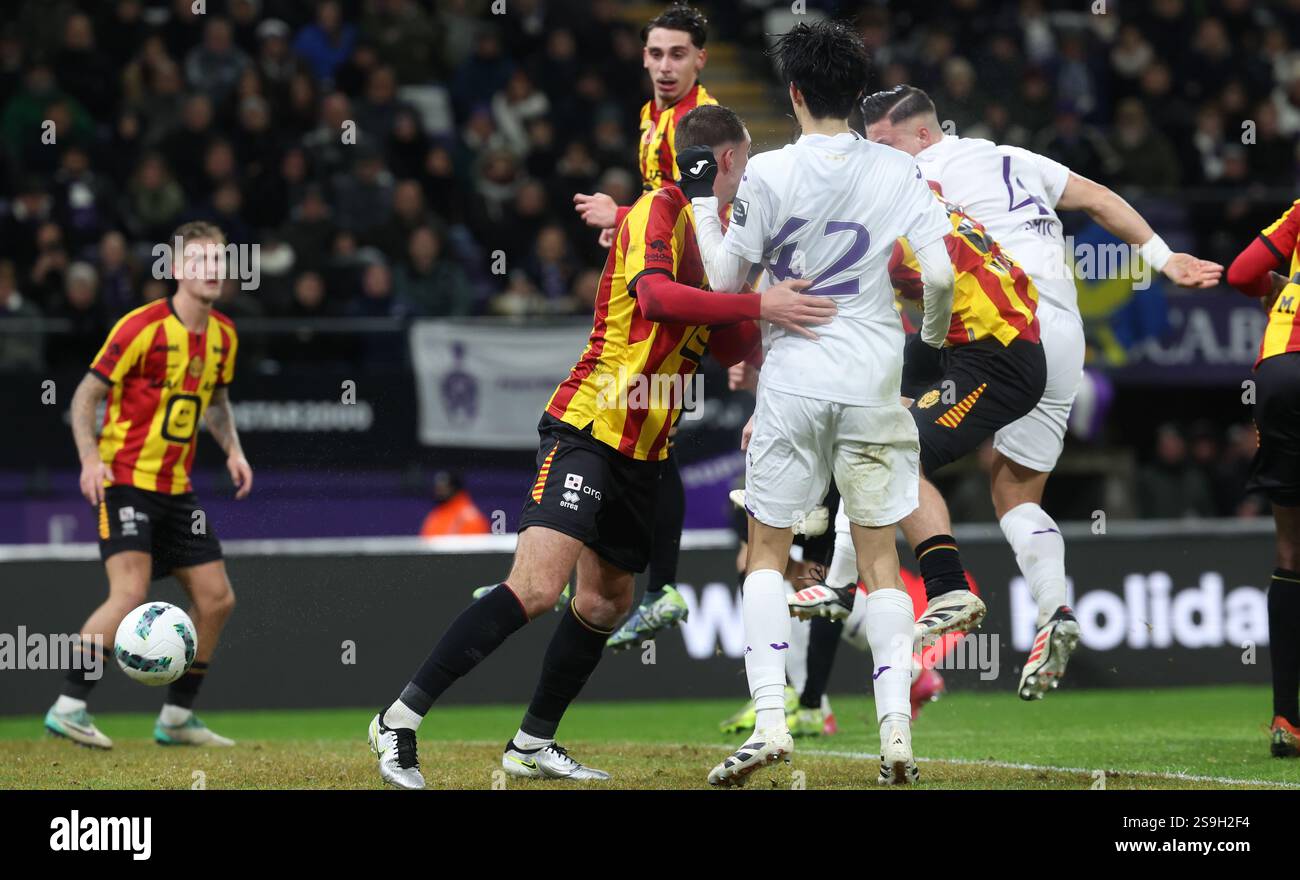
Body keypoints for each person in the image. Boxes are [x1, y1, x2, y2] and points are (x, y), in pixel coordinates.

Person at [367, 105, 832, 789]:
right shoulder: (658, 211)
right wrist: (760, 307)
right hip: (592, 426)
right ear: (729, 160)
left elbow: (724, 337)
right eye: (746, 156)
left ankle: (531, 744)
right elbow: (654, 298)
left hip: (646, 447)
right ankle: (398, 721)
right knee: (534, 587)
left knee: (606, 603)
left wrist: (771, 330)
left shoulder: (724, 239)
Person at [858, 84, 1221, 698]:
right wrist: (1163, 260)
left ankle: (921, 585)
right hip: (1064, 334)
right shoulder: (1013, 157)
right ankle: (1055, 608)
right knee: (1015, 493)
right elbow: (1100, 198)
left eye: (885, 144)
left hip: (1005, 327)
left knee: (889, 451)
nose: (879, 158)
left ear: (921, 136)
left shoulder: (915, 173)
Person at [680, 22, 956, 786]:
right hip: (873, 380)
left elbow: (728, 287)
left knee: (767, 552)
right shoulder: (900, 172)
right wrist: (926, 349)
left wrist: (707, 208)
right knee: (877, 560)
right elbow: (938, 279)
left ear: (794, 92)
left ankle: (772, 722)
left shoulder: (767, 173)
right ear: (857, 93)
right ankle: (896, 735)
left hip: (795, 382)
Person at [44, 221, 250, 749]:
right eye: (199, 262)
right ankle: (69, 706)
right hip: (125, 481)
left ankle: (177, 718)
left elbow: (218, 402)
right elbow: (85, 397)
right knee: (130, 592)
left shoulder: (223, 336)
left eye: (218, 263)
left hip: (176, 490)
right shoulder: (141, 327)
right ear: (177, 270)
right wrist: (90, 460)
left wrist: (233, 450)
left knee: (217, 598)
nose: (211, 272)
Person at [574, 4, 718, 651]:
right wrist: (628, 228)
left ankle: (644, 586)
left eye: (678, 55)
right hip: (658, 292)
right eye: (656, 54)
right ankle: (629, 584)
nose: (665, 66)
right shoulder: (651, 117)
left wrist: (622, 209)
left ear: (701, 60)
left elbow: (706, 215)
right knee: (647, 435)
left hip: (686, 300)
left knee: (635, 430)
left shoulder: (699, 125)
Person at [1225, 199, 1300, 757]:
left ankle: (1286, 718)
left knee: (1291, 553)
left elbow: (1242, 274)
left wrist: (1278, 288)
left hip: (1281, 375)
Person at [419, 471, 490, 537]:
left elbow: (475, 548)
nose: (438, 493)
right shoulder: (436, 514)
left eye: (442, 488)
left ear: (454, 489)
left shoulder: (469, 517)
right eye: (437, 489)